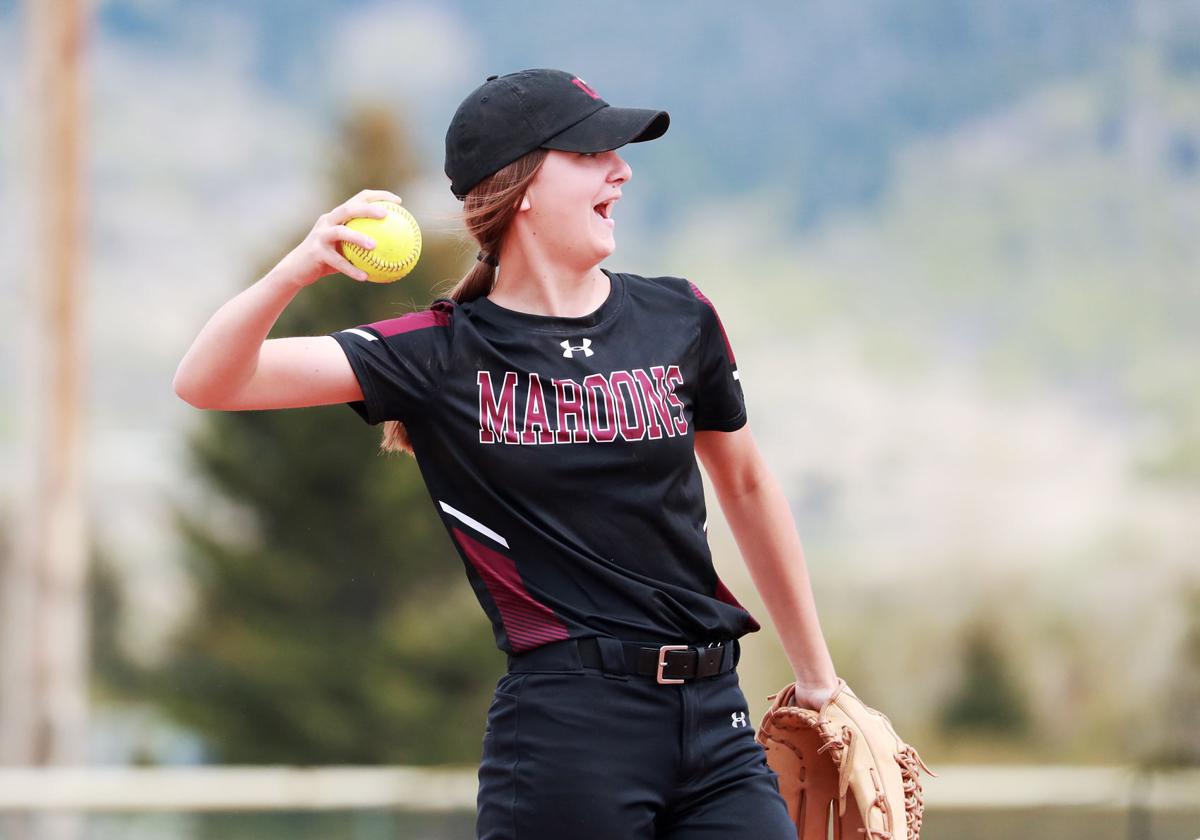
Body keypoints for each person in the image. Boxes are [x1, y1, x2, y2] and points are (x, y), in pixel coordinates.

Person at [174, 67, 840, 839]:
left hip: (716, 717)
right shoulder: (438, 353)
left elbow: (748, 486)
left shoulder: (678, 316)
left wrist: (817, 678)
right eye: (591, 152)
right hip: (570, 731)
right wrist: (302, 267)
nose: (620, 169)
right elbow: (209, 380)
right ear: (521, 184)